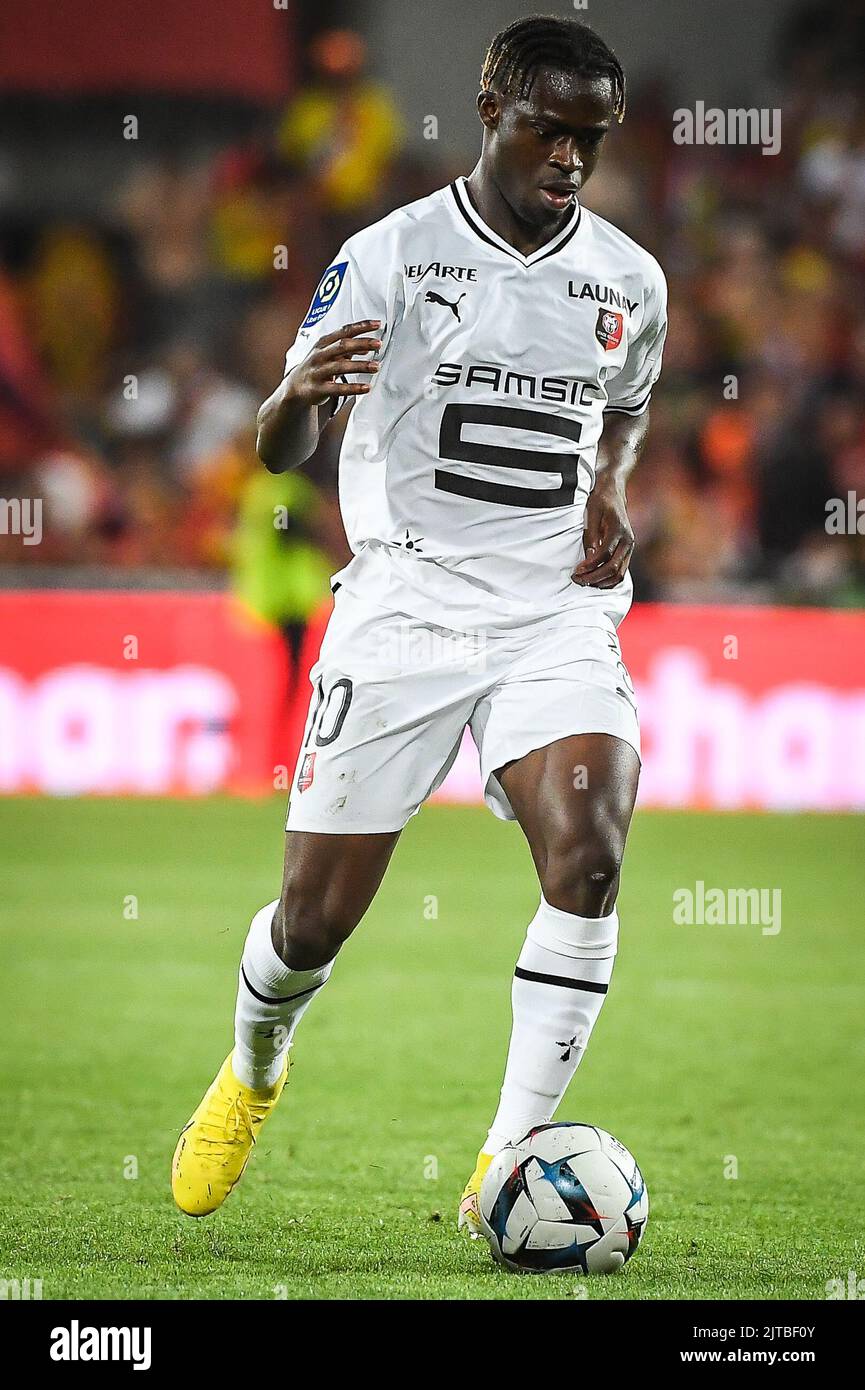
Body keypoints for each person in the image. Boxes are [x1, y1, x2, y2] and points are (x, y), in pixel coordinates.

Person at [171, 14, 667, 1238]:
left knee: (590, 853)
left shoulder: (630, 279)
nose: (568, 156)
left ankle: (503, 1160)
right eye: (549, 127)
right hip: (405, 606)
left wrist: (608, 491)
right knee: (310, 923)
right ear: (493, 102)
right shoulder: (392, 255)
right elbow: (280, 447)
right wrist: (294, 397)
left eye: (589, 139)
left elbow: (625, 406)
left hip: (552, 608)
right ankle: (256, 1064)